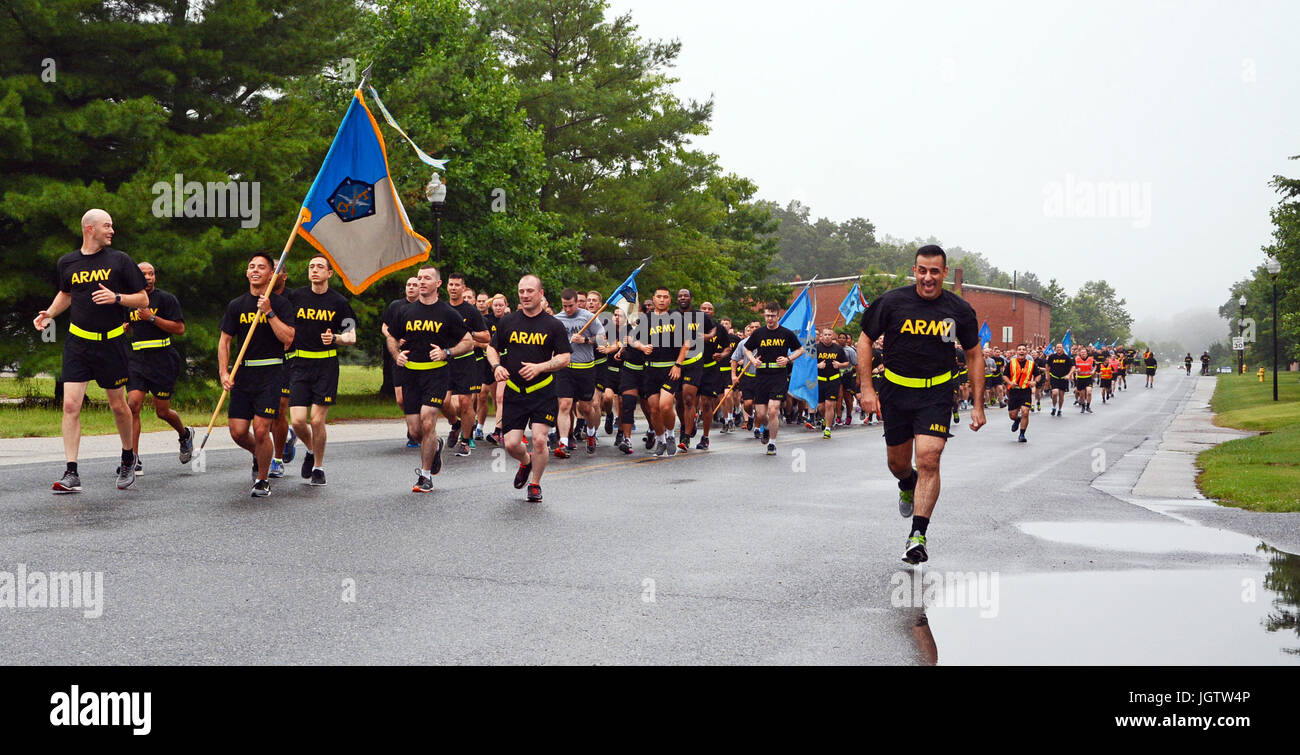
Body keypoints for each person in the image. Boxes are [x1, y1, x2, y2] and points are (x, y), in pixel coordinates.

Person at [857, 245, 984, 564]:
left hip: (936, 393)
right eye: (922, 270)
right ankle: (906, 483)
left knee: (929, 458)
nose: (928, 278)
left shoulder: (959, 309)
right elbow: (864, 341)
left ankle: (918, 535)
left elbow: (973, 353)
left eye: (935, 271)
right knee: (898, 464)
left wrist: (979, 404)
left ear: (944, 272)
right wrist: (867, 388)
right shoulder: (891, 302)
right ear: (914, 271)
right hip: (896, 392)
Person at [34, 209, 150, 493]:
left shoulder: (120, 260)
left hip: (111, 342)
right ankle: (71, 472)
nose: (111, 230)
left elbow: (143, 298)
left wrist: (117, 298)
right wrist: (49, 313)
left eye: (112, 225)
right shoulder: (67, 262)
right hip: (78, 342)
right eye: (106, 226)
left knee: (118, 405)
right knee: (71, 405)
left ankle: (127, 457)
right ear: (89, 229)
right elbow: (67, 293)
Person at [385, 265, 474, 493]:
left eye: (427, 278)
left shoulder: (448, 314)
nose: (422, 281)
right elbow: (392, 338)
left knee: (427, 420)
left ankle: (425, 477)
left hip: (436, 373)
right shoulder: (405, 311)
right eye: (419, 278)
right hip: (411, 374)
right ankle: (435, 446)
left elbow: (468, 342)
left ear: (438, 284)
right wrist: (397, 355)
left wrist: (447, 352)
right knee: (415, 431)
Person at [486, 275, 572, 502]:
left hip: (542, 391)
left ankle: (535, 484)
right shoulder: (508, 322)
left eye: (530, 291)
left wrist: (540, 367)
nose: (525, 295)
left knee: (540, 439)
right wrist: (496, 367)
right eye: (521, 291)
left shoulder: (553, 325)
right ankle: (526, 462)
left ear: (541, 294)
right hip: (515, 390)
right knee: (512, 444)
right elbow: (491, 348)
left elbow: (565, 357)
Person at [218, 252, 296, 497]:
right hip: (243, 373)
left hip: (271, 372)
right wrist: (224, 372)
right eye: (251, 266)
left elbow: (288, 338)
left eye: (261, 267)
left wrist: (269, 312)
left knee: (262, 429)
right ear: (246, 273)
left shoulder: (280, 304)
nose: (255, 270)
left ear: (270, 274)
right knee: (238, 432)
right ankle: (261, 453)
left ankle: (262, 479)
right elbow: (225, 341)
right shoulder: (236, 305)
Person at [285, 254, 356, 486]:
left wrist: (335, 337)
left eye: (319, 267)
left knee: (316, 421)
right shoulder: (296, 297)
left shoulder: (339, 302)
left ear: (329, 273)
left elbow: (351, 336)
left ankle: (318, 467)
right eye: (311, 267)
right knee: (297, 421)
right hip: (299, 363)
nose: (314, 270)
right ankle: (309, 449)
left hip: (325, 365)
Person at [125, 261, 193, 477]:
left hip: (163, 359)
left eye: (151, 273)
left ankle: (184, 435)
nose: (148, 277)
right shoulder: (129, 301)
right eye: (143, 274)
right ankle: (133, 459)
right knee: (133, 405)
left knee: (162, 411)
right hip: (137, 360)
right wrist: (125, 328)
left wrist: (152, 318)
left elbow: (180, 329)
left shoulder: (165, 299)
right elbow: (126, 327)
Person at [743, 302, 805, 456]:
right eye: (767, 316)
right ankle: (766, 429)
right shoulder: (758, 333)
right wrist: (753, 360)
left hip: (779, 375)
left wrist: (788, 359)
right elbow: (747, 348)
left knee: (773, 410)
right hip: (762, 376)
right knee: (761, 414)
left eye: (772, 316)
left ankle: (772, 443)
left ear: (778, 316)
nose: (769, 319)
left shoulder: (786, 333)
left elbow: (801, 349)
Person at [553, 288, 604, 457]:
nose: (567, 309)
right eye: (564, 306)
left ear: (577, 302)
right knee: (565, 405)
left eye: (570, 306)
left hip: (585, 369)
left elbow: (602, 337)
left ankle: (590, 434)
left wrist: (585, 340)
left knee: (586, 408)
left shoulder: (587, 317)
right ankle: (563, 442)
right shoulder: (556, 320)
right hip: (565, 368)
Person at [444, 273, 490, 457]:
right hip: (446, 361)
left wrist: (469, 332)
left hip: (466, 362)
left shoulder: (471, 311)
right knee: (442, 401)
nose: (453, 288)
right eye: (451, 284)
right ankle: (455, 425)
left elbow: (486, 336)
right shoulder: (443, 309)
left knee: (465, 402)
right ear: (446, 287)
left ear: (463, 288)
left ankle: (465, 440)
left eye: (457, 285)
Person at [671, 289, 715, 452]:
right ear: (677, 299)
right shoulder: (672, 316)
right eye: (680, 296)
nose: (683, 298)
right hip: (675, 362)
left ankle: (686, 437)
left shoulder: (701, 316)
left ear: (691, 298)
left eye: (686, 296)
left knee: (689, 398)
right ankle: (685, 425)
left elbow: (714, 330)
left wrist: (707, 337)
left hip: (695, 361)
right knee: (679, 401)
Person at [383, 276, 421, 447]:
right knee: (401, 399)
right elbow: (385, 326)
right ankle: (413, 424)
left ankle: (415, 432)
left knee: (417, 395)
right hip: (399, 357)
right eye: (408, 284)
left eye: (415, 285)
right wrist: (394, 340)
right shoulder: (395, 306)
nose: (411, 287)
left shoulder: (425, 307)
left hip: (419, 358)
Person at [812, 328, 849, 439]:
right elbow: (807, 364)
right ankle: (825, 418)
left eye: (829, 334)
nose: (827, 336)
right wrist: (817, 366)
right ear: (821, 336)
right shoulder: (816, 348)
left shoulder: (838, 348)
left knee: (829, 404)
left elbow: (846, 363)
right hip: (819, 380)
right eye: (825, 335)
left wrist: (839, 365)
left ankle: (827, 429)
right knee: (820, 406)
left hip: (833, 380)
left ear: (832, 336)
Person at [1003, 344, 1033, 443]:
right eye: (1019, 349)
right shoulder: (1011, 363)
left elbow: (1037, 375)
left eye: (1024, 349)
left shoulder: (1031, 364)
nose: (1021, 351)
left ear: (1026, 352)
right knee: (1012, 415)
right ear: (1017, 352)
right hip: (1014, 392)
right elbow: (1004, 376)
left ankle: (1022, 434)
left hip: (1025, 391)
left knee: (1025, 412)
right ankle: (1017, 420)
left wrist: (1034, 382)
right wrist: (1010, 383)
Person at [1045, 342, 1073, 416]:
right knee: (1054, 393)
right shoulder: (1052, 357)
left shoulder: (1066, 357)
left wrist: (1069, 375)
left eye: (1060, 347)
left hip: (1063, 378)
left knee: (1061, 395)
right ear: (1055, 348)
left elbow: (1073, 367)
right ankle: (1054, 407)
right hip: (1054, 377)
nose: (1058, 349)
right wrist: (1047, 375)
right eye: (1057, 347)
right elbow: (1047, 366)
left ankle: (1060, 409)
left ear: (1062, 348)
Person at [1075, 348, 1095, 412]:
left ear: (1087, 353)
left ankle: (1088, 406)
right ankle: (1083, 407)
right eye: (1082, 352)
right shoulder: (1077, 360)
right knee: (1081, 395)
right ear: (1080, 353)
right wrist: (1076, 370)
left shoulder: (1091, 359)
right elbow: (1072, 368)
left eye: (1084, 352)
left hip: (1088, 378)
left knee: (1089, 392)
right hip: (1080, 379)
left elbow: (1095, 366)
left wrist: (1093, 371)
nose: (1083, 353)